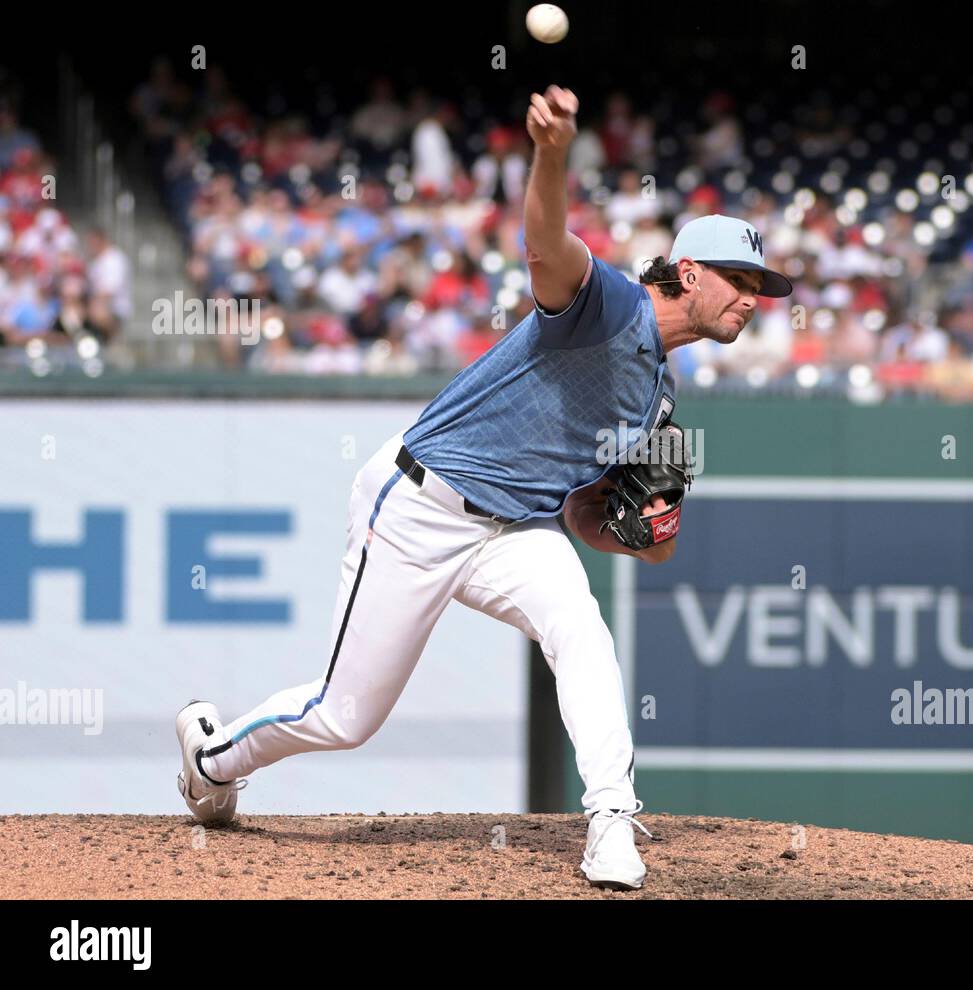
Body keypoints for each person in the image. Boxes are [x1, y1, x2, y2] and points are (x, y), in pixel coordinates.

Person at [173, 85, 792, 892]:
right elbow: (543, 243)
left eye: (763, 285)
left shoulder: (659, 401)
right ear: (688, 272)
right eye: (740, 278)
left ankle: (611, 820)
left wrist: (640, 533)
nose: (754, 298)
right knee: (346, 716)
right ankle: (212, 759)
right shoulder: (606, 306)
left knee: (582, 630)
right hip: (421, 503)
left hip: (519, 530)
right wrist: (552, 151)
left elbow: (584, 513)